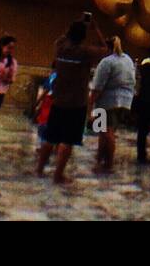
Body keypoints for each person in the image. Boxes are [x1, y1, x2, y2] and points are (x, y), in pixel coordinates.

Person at [35, 16, 108, 183]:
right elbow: (104, 49)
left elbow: (61, 38)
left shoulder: (60, 49)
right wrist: (95, 29)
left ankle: (39, 169)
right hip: (77, 103)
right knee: (67, 140)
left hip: (58, 100)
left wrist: (74, 25)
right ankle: (58, 175)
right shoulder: (85, 52)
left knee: (50, 137)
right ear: (83, 37)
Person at [89, 35, 135, 174]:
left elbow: (98, 86)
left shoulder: (106, 62)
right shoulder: (127, 59)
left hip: (106, 101)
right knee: (106, 131)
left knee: (105, 131)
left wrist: (90, 105)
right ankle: (100, 159)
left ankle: (108, 163)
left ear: (107, 48)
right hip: (125, 101)